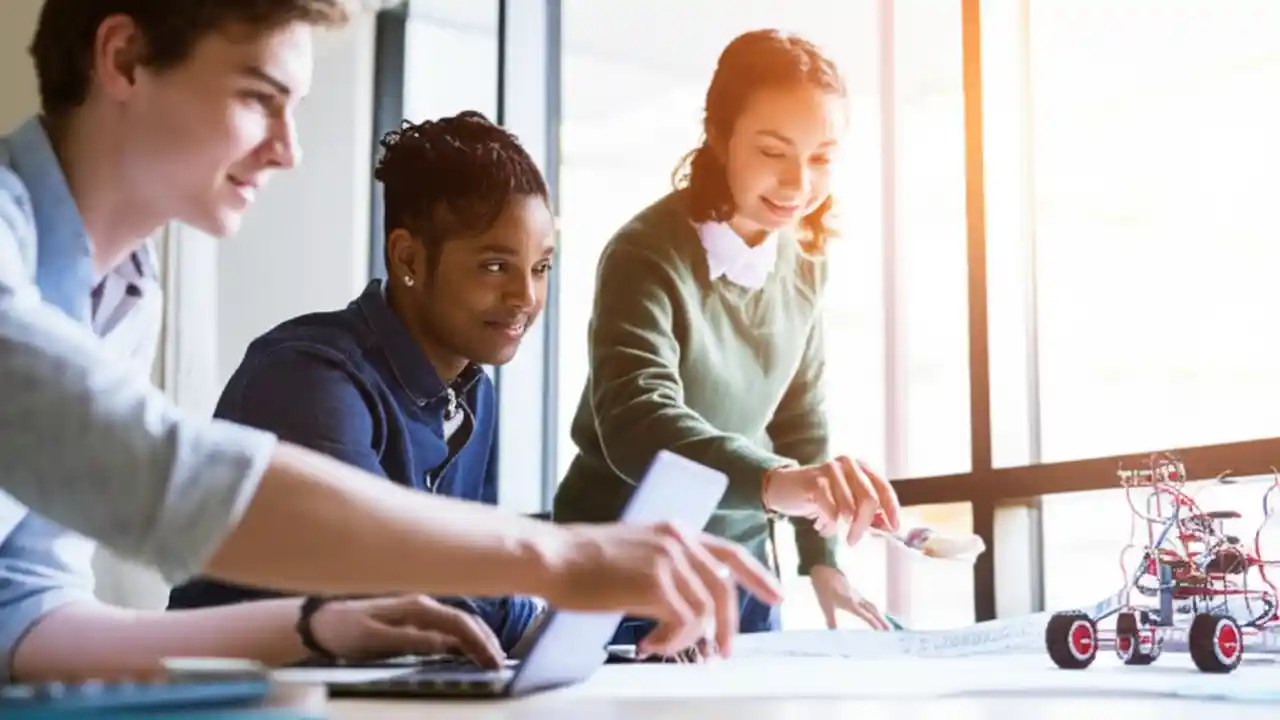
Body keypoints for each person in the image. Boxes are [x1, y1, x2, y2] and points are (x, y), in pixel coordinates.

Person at [0, 0, 782, 681]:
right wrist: (560, 557)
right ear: (124, 59)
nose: (288, 149)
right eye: (259, 98)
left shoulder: (124, 296)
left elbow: (28, 614)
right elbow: (165, 475)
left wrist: (311, 629)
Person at [554, 29, 900, 643]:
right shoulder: (645, 253)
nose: (798, 184)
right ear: (718, 134)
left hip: (741, 572)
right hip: (625, 562)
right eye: (773, 151)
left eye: (821, 158)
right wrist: (775, 482)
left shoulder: (805, 261)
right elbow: (636, 419)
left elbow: (800, 420)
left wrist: (822, 562)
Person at [169, 111, 557, 656]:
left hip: (379, 684)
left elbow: (470, 573)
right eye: (495, 266)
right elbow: (387, 568)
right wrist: (554, 598)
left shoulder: (475, 395)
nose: (526, 297)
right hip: (250, 688)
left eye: (541, 268)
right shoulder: (310, 377)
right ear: (408, 258)